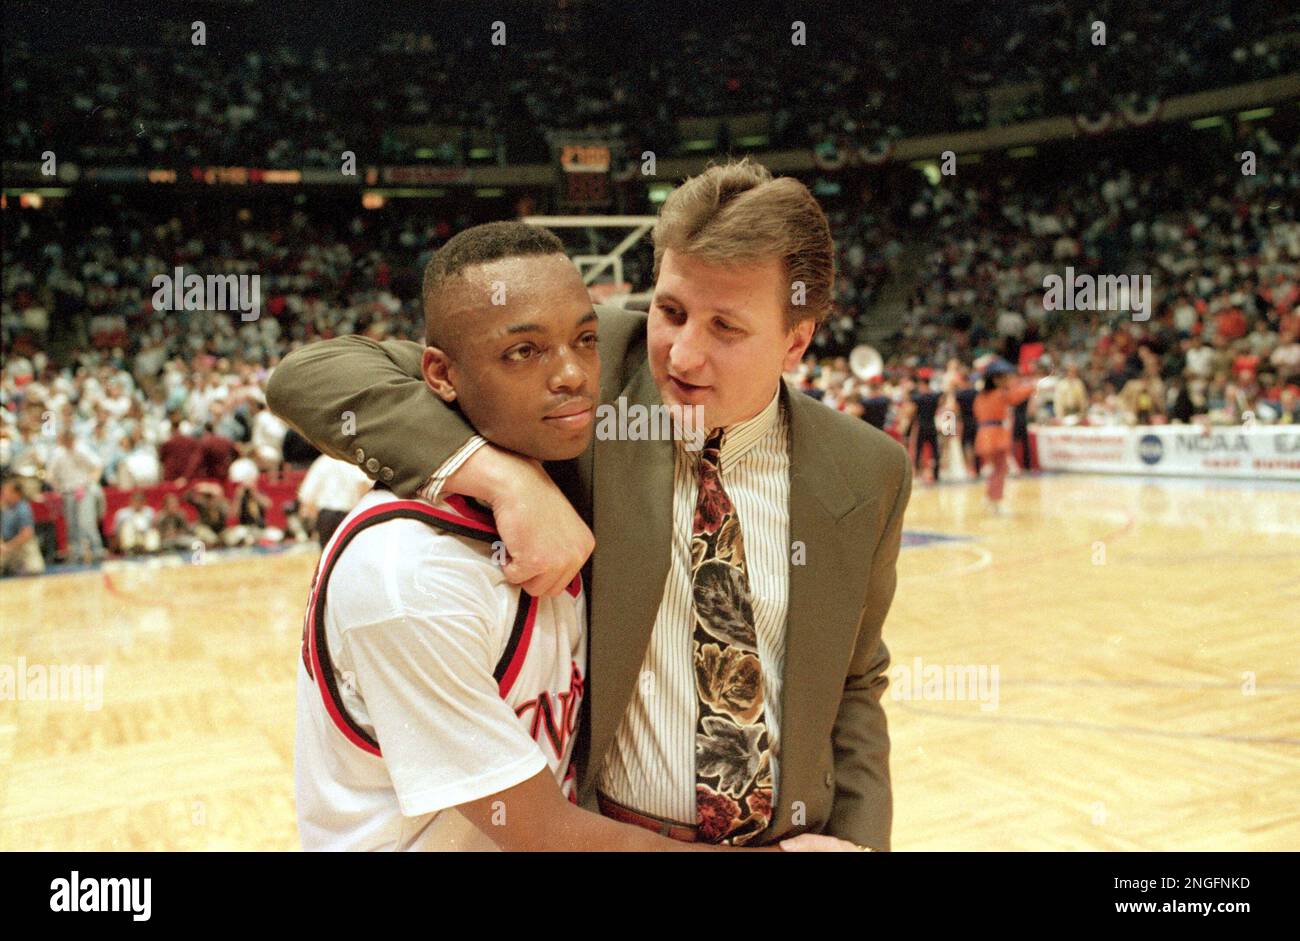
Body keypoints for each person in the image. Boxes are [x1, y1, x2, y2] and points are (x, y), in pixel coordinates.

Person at [269, 159, 911, 850]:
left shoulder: (868, 468)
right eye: (671, 311)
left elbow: (857, 679)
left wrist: (862, 842)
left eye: (726, 327)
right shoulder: (588, 363)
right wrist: (500, 477)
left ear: (796, 338)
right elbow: (314, 375)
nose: (684, 355)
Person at [973, 360, 1035, 513]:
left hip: (984, 433)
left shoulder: (981, 396)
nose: (1008, 380)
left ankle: (990, 497)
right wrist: (1033, 386)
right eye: (1005, 377)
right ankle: (996, 501)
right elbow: (1017, 396)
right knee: (1000, 469)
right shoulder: (1000, 394)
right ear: (996, 379)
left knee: (996, 469)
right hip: (996, 434)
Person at [45, 429, 105, 563]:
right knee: (72, 525)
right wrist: (58, 488)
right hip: (67, 492)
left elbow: (98, 466)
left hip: (83, 490)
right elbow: (49, 475)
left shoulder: (82, 450)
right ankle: (77, 553)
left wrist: (90, 483)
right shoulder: (57, 454)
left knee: (86, 522)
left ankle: (97, 550)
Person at [297, 454, 371, 548]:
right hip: (348, 515)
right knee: (349, 552)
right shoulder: (353, 461)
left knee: (328, 554)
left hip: (326, 516)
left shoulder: (322, 462)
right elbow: (363, 485)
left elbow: (307, 493)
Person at [1, 476, 45, 575]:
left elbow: (27, 533)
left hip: (21, 545)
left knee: (34, 569)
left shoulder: (23, 508)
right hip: (5, 544)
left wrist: (8, 546)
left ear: (17, 494)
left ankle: (14, 566)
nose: (4, 495)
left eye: (6, 492)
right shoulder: (4, 508)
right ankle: (9, 566)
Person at [112, 490, 160, 555]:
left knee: (153, 532)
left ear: (144, 502)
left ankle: (151, 552)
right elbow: (116, 531)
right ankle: (129, 551)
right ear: (131, 501)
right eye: (136, 501)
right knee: (127, 527)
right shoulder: (122, 514)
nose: (138, 503)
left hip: (145, 538)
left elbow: (153, 527)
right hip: (129, 539)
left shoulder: (149, 512)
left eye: (141, 501)